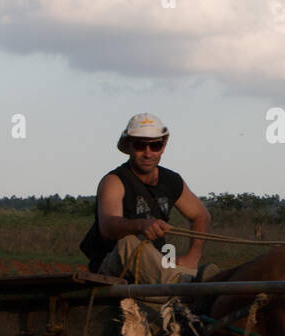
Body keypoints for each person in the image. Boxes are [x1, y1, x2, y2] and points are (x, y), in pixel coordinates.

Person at [80, 113, 217, 285]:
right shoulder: (114, 181)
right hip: (114, 265)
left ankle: (186, 279)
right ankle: (183, 284)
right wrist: (140, 225)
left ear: (163, 146)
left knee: (161, 260)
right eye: (140, 146)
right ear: (129, 146)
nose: (148, 153)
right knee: (128, 243)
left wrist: (193, 256)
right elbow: (108, 226)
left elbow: (201, 215)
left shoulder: (172, 180)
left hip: (156, 264)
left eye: (155, 146)